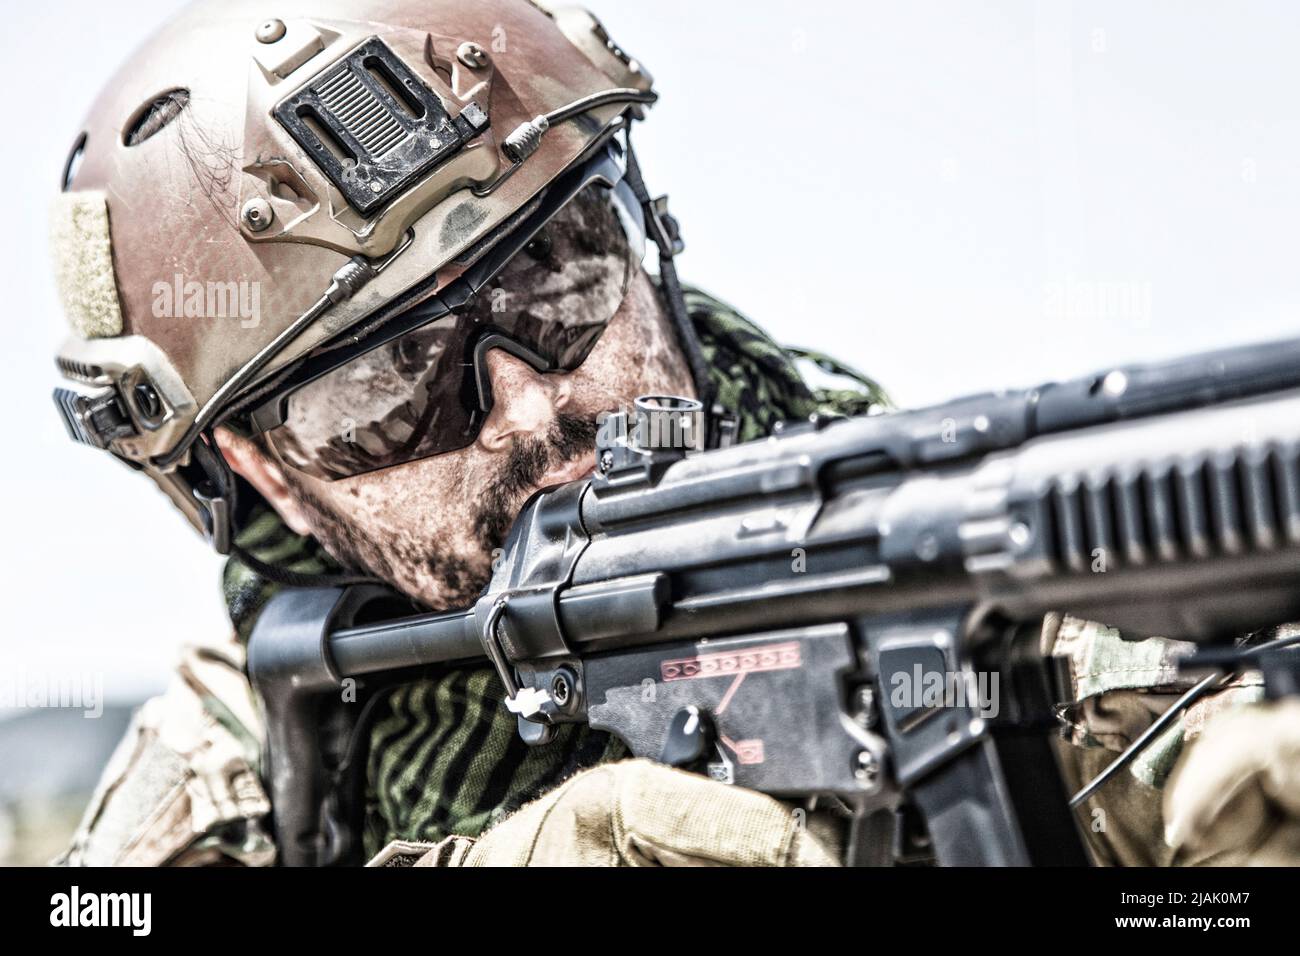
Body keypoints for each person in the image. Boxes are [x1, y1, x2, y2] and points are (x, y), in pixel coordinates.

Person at [48, 0, 1296, 867]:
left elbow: (1168, 754)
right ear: (263, 473)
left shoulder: (942, 564)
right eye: (391, 391)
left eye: (560, 277)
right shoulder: (252, 742)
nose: (532, 405)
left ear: (649, 240)